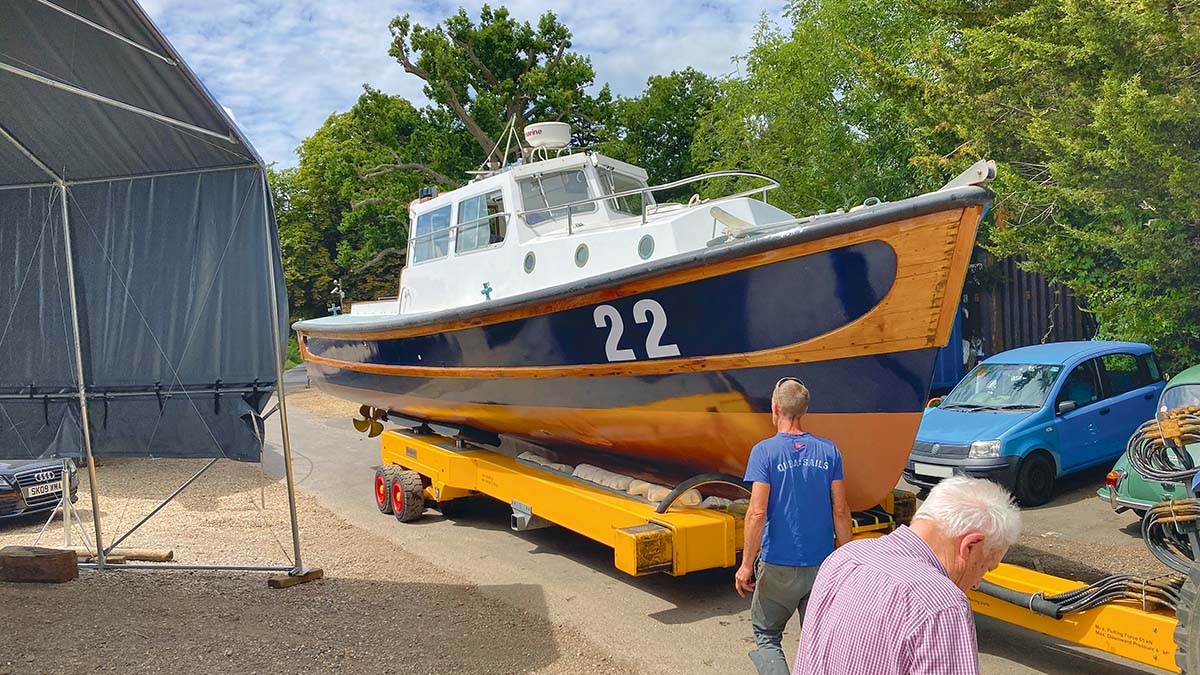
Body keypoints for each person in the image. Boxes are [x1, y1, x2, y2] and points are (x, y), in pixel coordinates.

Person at [794, 476, 1021, 675]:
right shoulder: (941, 604)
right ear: (970, 546)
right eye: (984, 567)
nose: (977, 583)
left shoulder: (843, 557)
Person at [735, 377, 853, 675]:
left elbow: (757, 513)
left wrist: (746, 565)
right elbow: (840, 510)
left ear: (775, 408)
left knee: (766, 634)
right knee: (818, 638)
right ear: (805, 409)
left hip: (779, 564)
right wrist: (849, 560)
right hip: (821, 564)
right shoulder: (830, 451)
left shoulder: (764, 452)